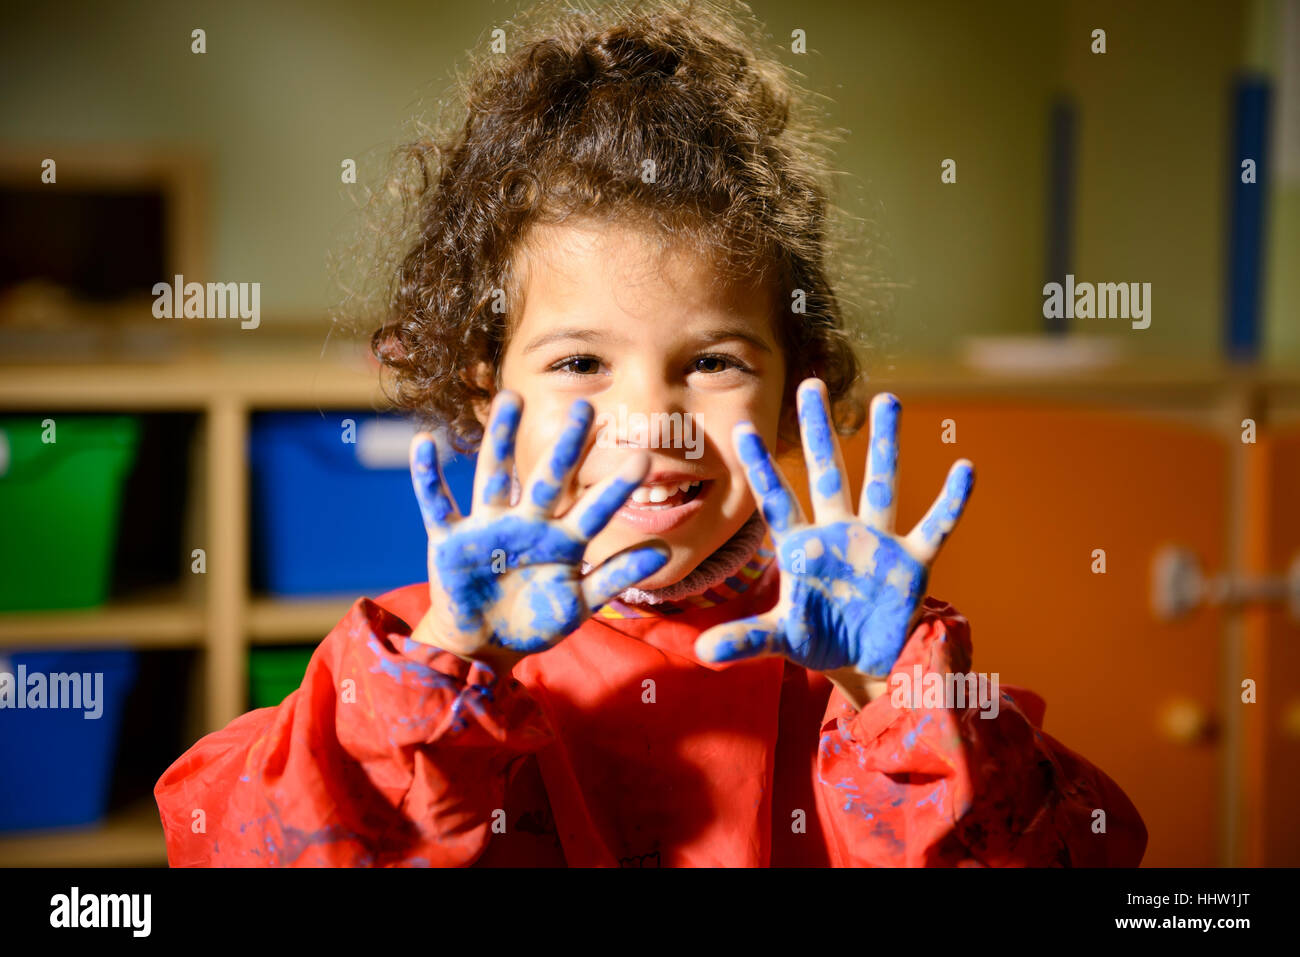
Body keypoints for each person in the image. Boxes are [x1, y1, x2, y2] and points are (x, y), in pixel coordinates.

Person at [155, 0, 1146, 867]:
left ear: (795, 385)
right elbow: (239, 844)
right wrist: (450, 666)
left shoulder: (861, 649)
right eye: (580, 364)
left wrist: (897, 699)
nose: (649, 424)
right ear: (487, 389)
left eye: (711, 362)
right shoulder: (419, 657)